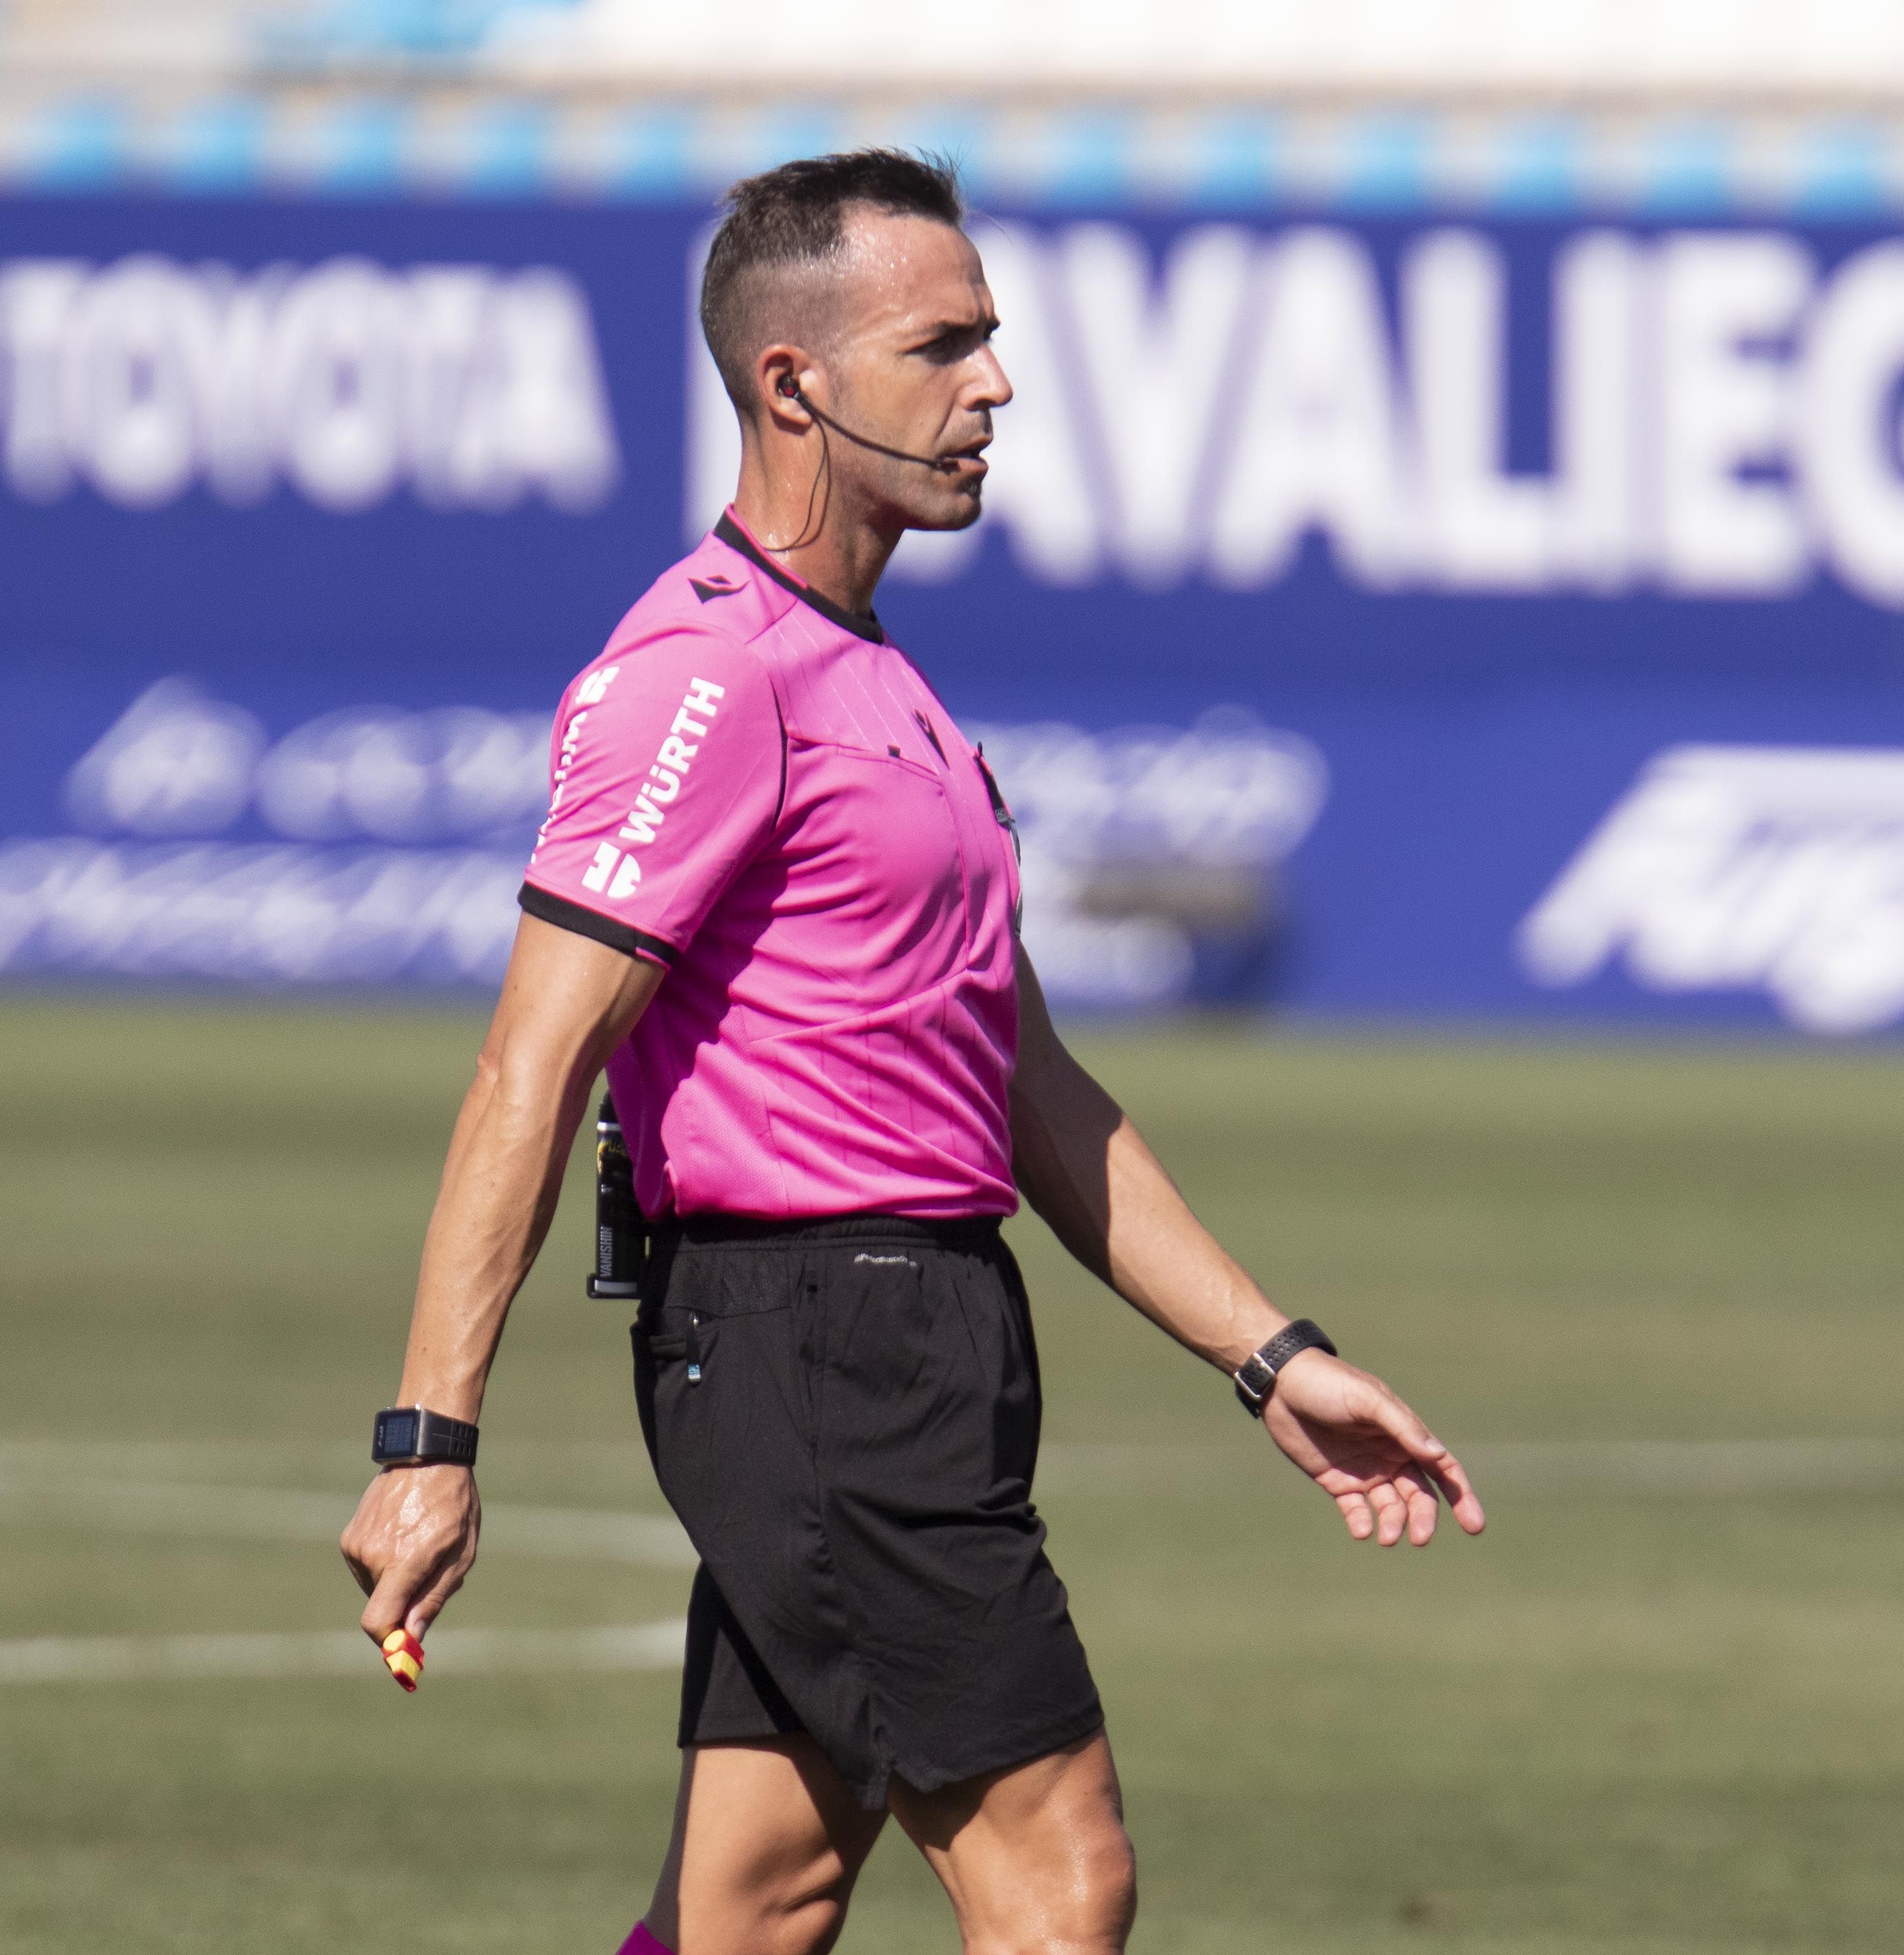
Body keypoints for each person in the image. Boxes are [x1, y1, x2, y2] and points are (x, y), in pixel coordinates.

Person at [337, 149, 1485, 1955]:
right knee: (1063, 1882)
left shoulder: (879, 683)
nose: (996, 387)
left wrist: (1272, 1358)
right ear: (794, 382)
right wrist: (428, 1436)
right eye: (943, 344)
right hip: (820, 1349)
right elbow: (527, 1068)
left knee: (757, 1901)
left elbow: (1025, 1084)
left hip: (915, 1335)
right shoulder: (701, 676)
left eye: (993, 341)